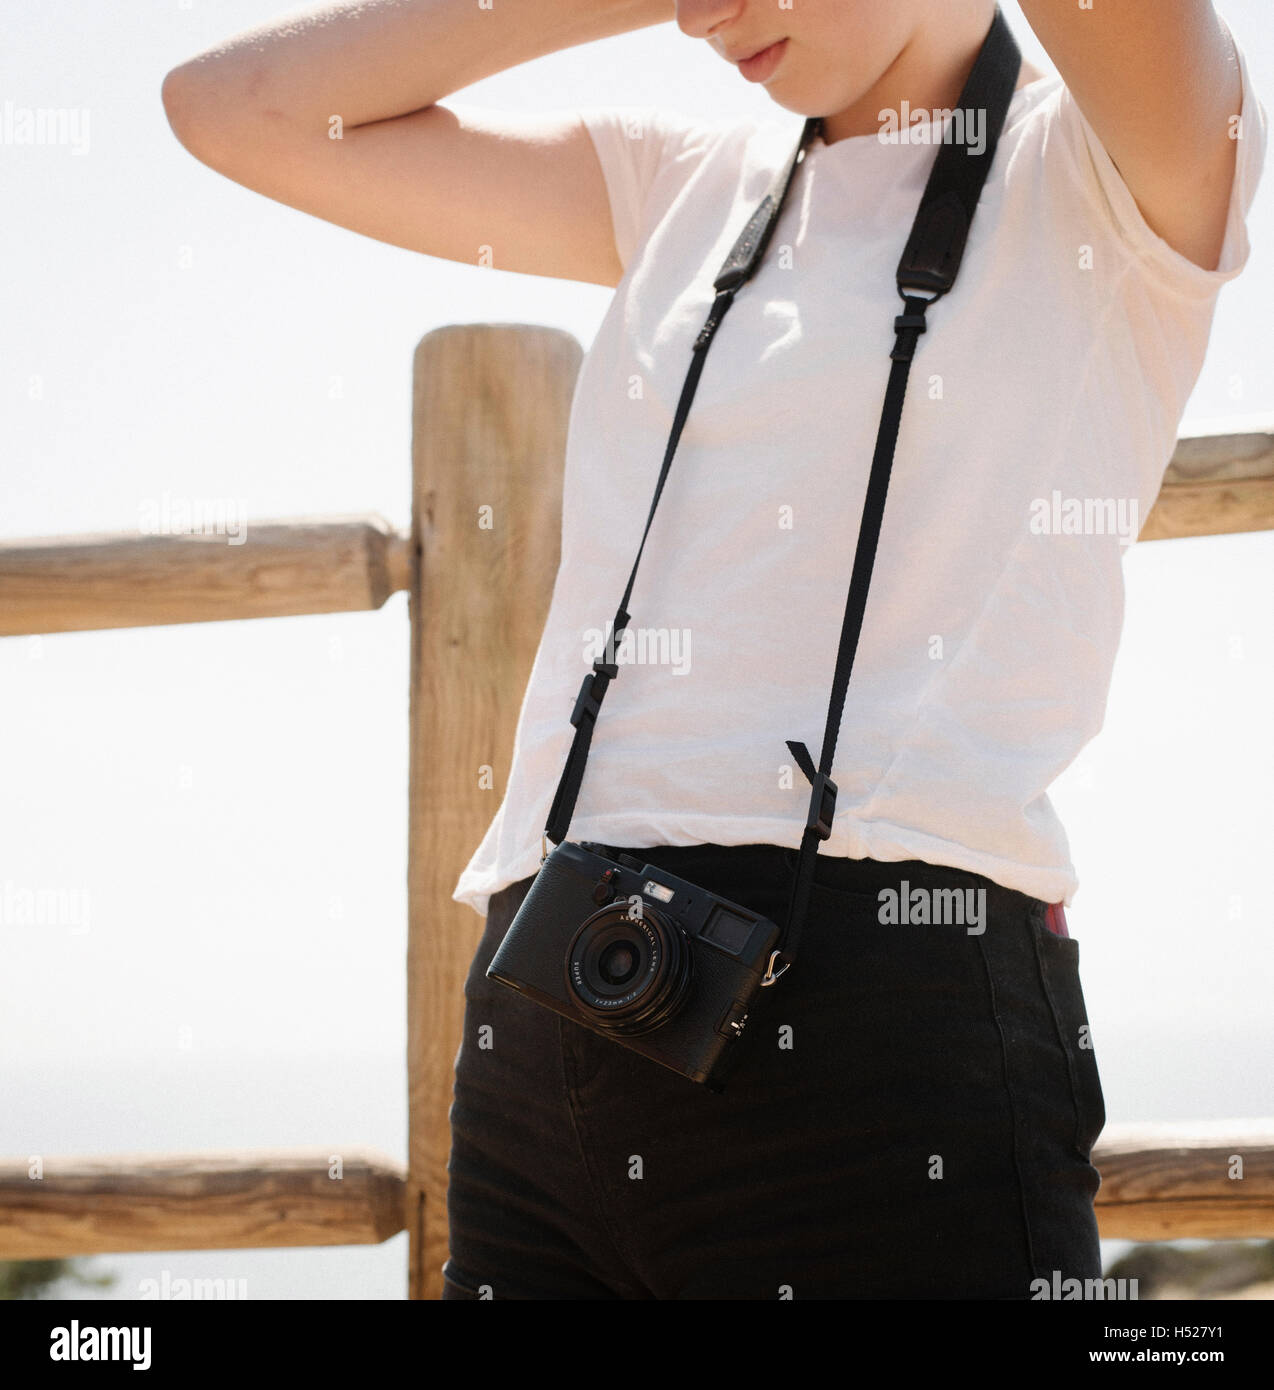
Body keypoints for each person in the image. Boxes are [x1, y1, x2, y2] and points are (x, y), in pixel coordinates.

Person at [163, 0, 1266, 1299]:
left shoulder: (1105, 165)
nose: (702, 18)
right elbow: (230, 111)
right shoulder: (681, 185)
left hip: (882, 1024)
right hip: (553, 994)